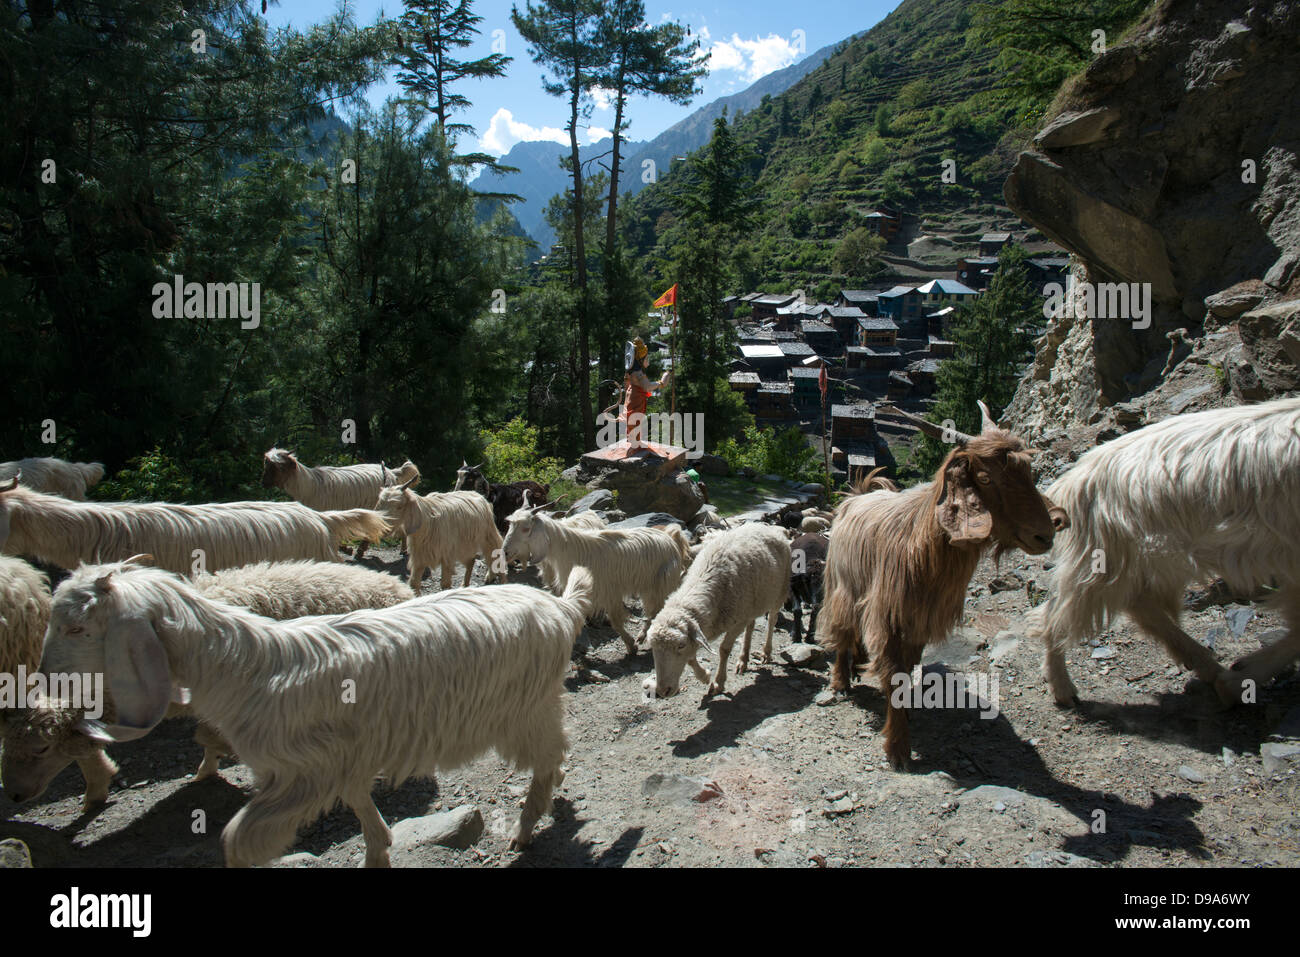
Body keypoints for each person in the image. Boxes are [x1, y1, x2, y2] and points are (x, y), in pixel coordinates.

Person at [622, 337, 670, 450]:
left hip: (632, 396)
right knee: (635, 419)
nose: (647, 360)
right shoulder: (638, 373)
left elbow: (626, 382)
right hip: (636, 398)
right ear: (641, 359)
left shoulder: (630, 370)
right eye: (646, 358)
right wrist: (661, 382)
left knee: (632, 418)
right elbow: (647, 386)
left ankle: (632, 439)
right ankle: (635, 443)